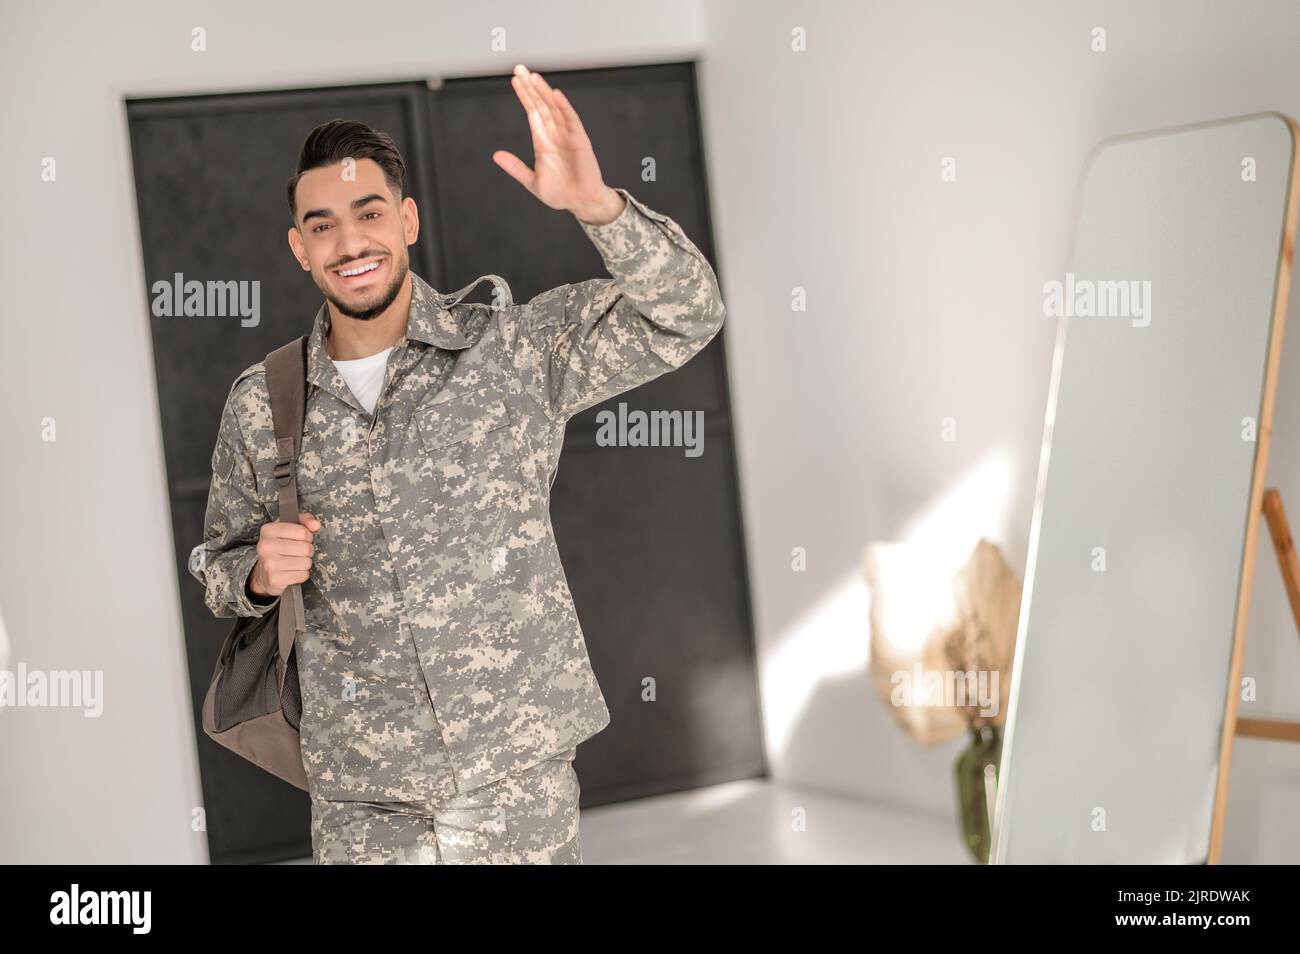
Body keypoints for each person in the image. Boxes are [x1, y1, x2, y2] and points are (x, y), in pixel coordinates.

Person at [188, 63, 726, 864]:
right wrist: (259, 575)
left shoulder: (508, 350)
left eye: (368, 213)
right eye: (323, 225)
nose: (350, 242)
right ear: (300, 248)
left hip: (513, 778)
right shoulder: (263, 402)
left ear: (406, 220)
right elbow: (217, 568)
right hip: (363, 793)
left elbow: (686, 314)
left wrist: (597, 206)